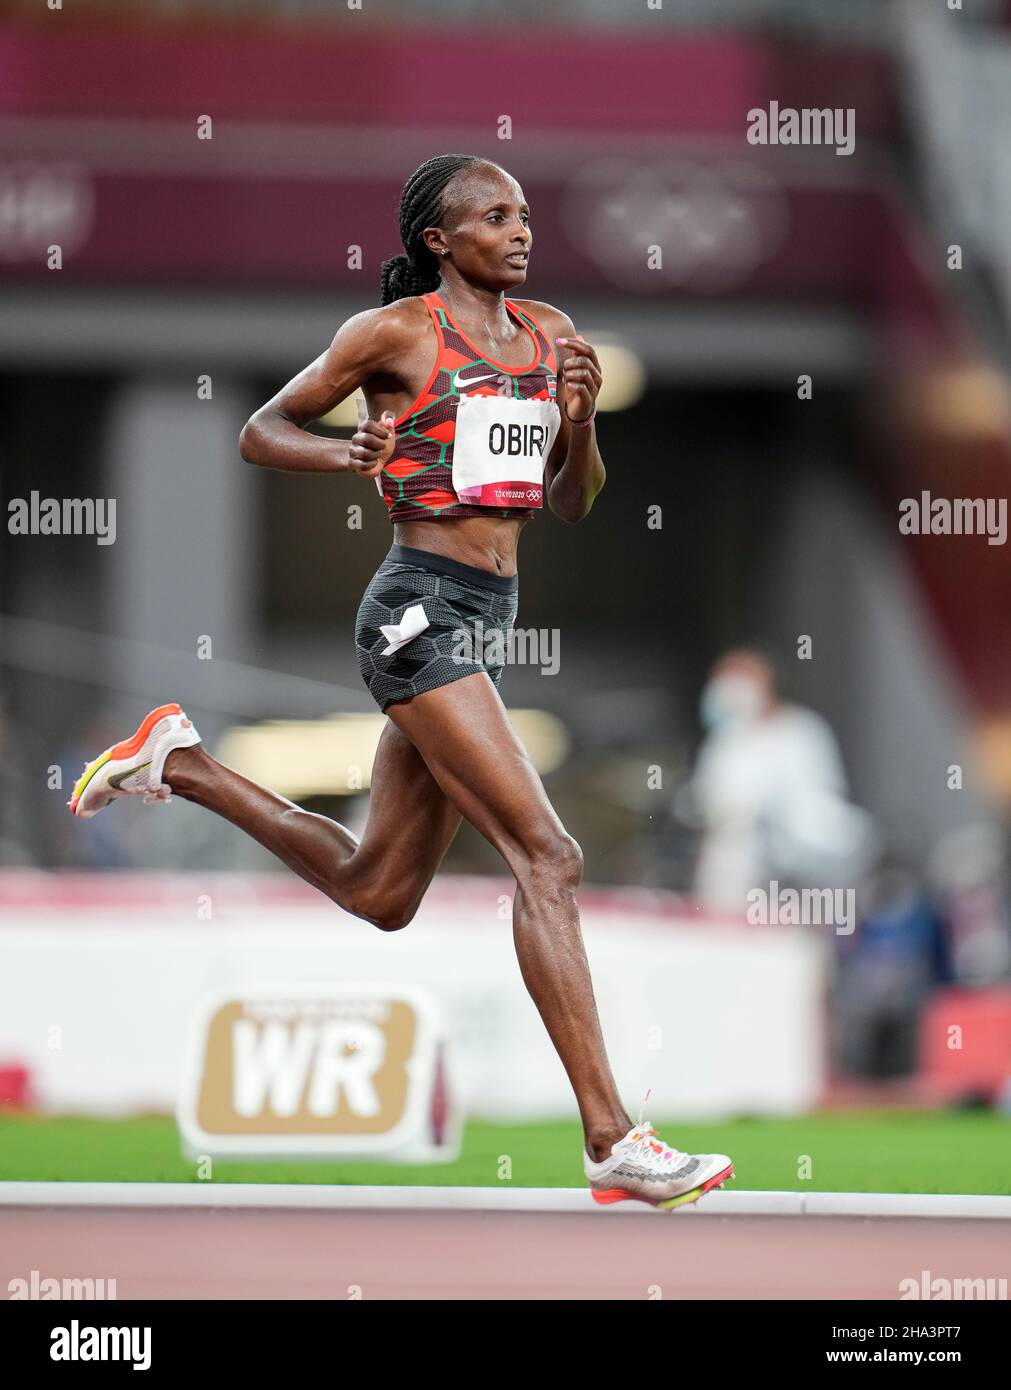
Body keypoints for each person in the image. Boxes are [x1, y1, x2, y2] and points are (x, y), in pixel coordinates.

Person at [68, 154, 733, 1209]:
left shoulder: (553, 333)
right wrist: (350, 456)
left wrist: (584, 422)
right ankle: (611, 1136)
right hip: (417, 611)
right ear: (439, 237)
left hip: (488, 617)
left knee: (381, 893)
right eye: (495, 217)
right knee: (546, 853)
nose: (521, 232)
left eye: (524, 215)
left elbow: (572, 504)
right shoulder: (398, 334)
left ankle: (181, 764)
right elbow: (260, 430)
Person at [690, 647, 877, 912]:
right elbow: (709, 812)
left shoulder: (802, 733)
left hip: (798, 880)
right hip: (732, 881)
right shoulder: (724, 745)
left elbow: (817, 811)